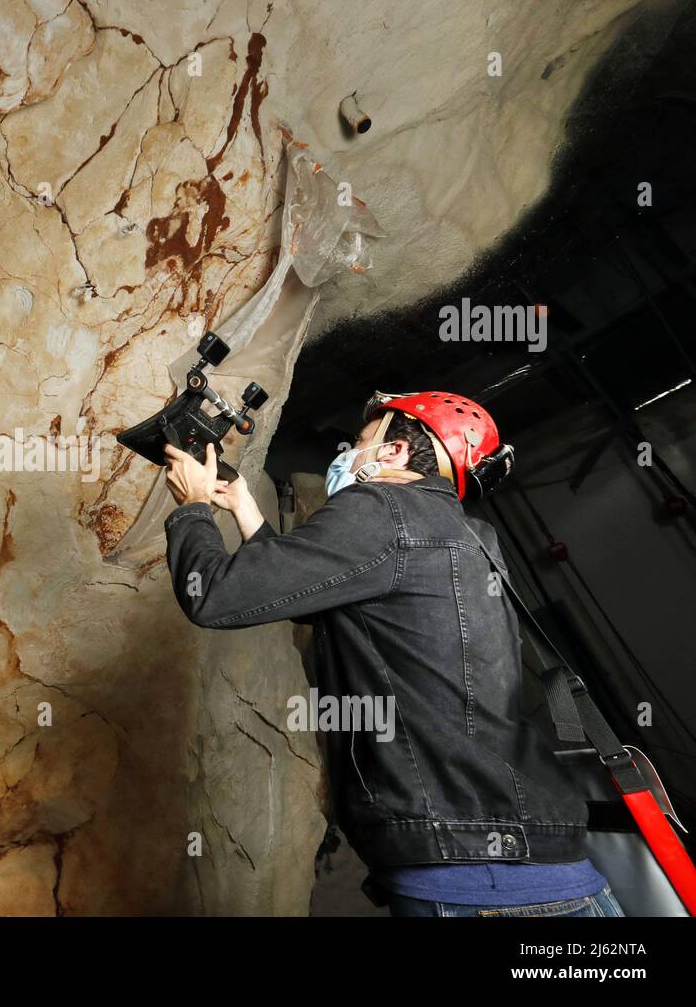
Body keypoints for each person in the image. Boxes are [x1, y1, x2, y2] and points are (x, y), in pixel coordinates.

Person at [161, 390, 624, 917]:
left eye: (357, 443)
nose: (346, 453)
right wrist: (244, 505)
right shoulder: (473, 537)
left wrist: (194, 507)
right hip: (555, 873)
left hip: (474, 886)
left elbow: (216, 594)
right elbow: (321, 599)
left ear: (394, 452)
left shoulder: (379, 509)